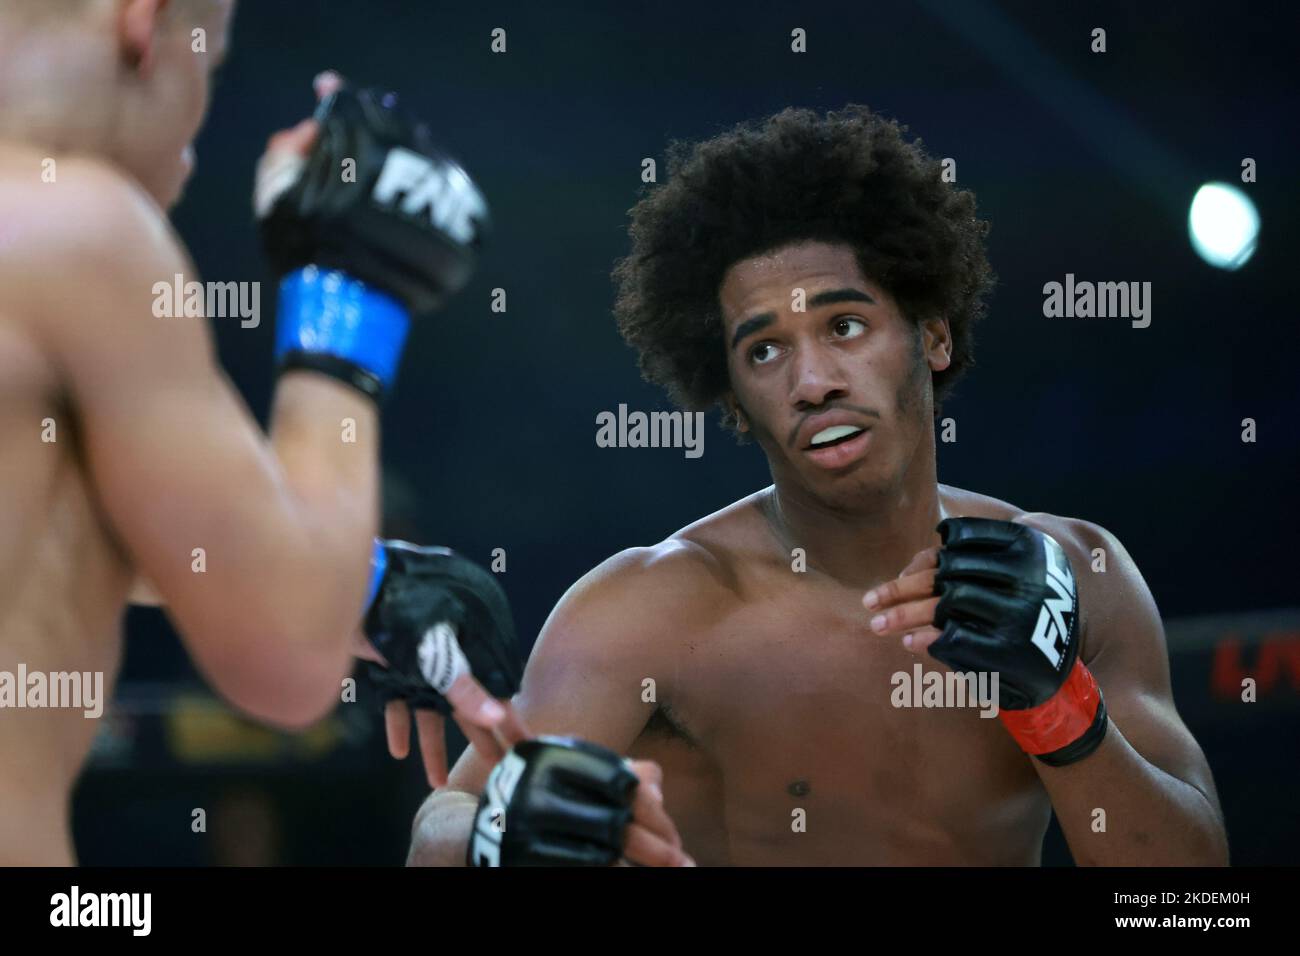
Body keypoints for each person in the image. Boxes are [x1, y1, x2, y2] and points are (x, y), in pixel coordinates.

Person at [410, 105, 1229, 866]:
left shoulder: (1080, 574)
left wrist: (1057, 704)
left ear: (932, 336)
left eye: (844, 326)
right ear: (731, 392)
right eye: (765, 349)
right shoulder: (650, 613)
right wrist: (492, 829)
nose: (812, 381)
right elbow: (445, 822)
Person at [0, 0, 511, 865]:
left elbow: (54, 537)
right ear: (144, 23)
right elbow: (285, 656)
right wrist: (349, 290)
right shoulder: (80, 229)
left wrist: (368, 587)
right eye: (213, 63)